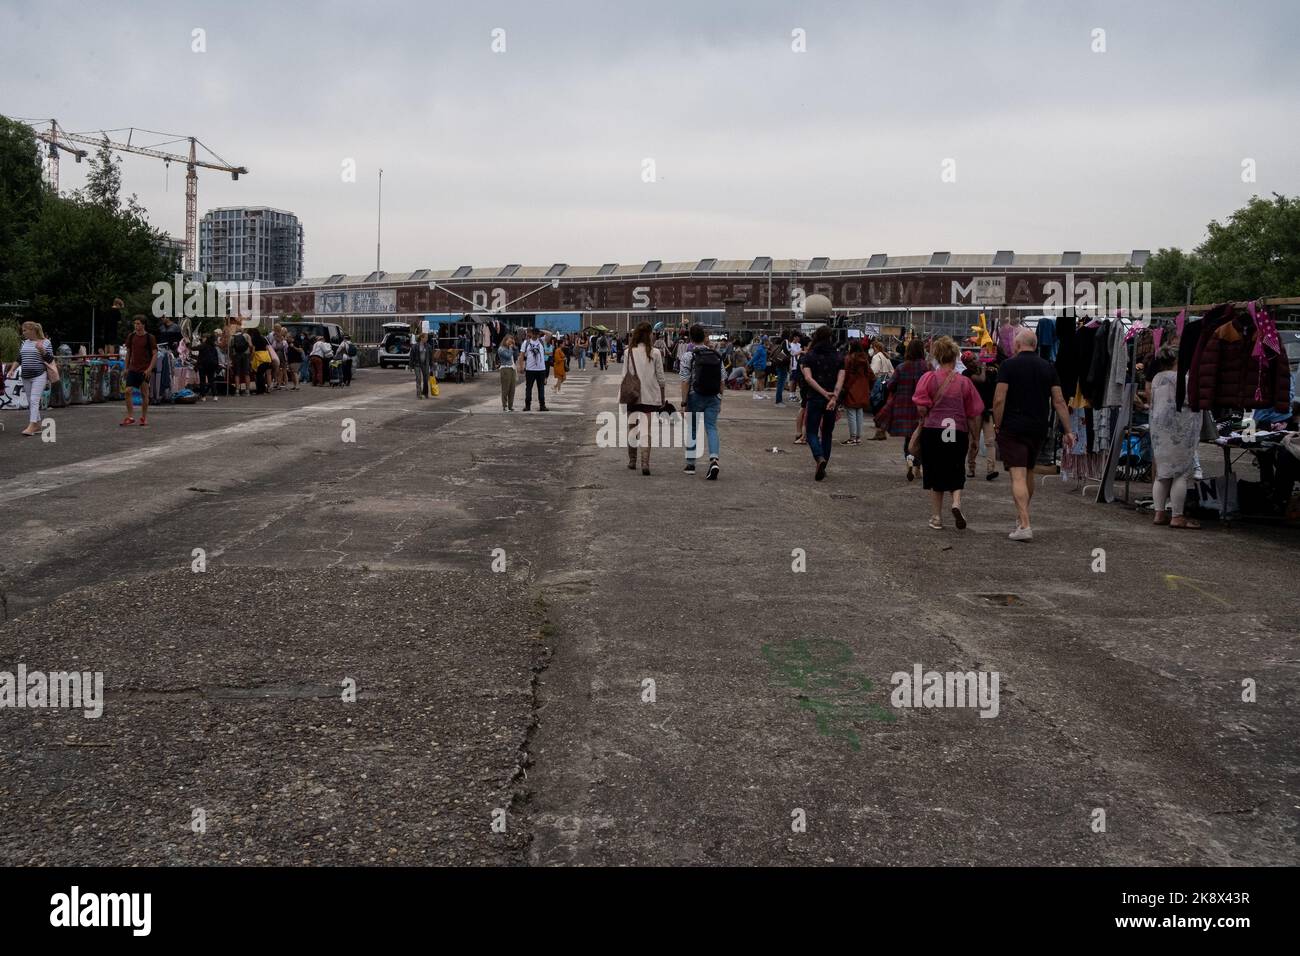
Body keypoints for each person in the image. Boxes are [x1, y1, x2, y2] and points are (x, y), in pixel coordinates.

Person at [993, 328, 1075, 542]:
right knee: (1028, 471)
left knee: (1017, 475)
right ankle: (1022, 518)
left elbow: (1000, 398)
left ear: (1018, 346)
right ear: (1036, 345)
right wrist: (1068, 430)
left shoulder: (1008, 366)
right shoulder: (1048, 367)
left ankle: (1025, 525)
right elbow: (1058, 401)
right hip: (1038, 427)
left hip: (1013, 426)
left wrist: (997, 424)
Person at [912, 336, 985, 530]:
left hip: (934, 429)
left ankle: (936, 517)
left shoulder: (928, 378)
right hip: (954, 429)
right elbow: (973, 413)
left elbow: (920, 405)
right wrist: (975, 437)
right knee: (955, 466)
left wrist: (926, 412)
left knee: (935, 470)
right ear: (955, 358)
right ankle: (956, 503)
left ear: (937, 356)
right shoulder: (964, 382)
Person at [1147, 346, 1201, 529]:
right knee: (1180, 474)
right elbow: (1193, 400)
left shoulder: (1156, 379)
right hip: (1180, 431)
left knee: (1162, 473)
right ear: (1177, 361)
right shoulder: (1183, 379)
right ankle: (1177, 516)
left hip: (1159, 431)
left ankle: (1159, 513)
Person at [800, 326, 845, 481]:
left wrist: (823, 392)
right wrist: (833, 397)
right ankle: (823, 462)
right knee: (827, 433)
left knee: (811, 431)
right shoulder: (839, 356)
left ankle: (819, 458)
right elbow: (841, 378)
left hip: (814, 397)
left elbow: (808, 378)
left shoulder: (810, 356)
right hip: (832, 400)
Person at [679, 323, 722, 479]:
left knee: (692, 430)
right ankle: (714, 459)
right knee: (711, 427)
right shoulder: (716, 355)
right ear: (704, 337)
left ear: (690, 338)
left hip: (694, 396)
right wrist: (720, 399)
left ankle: (691, 464)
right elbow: (722, 379)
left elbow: (685, 380)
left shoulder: (688, 356)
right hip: (713, 396)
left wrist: (684, 403)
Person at [624, 321, 666, 475]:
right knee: (646, 431)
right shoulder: (655, 353)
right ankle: (645, 463)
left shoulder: (628, 352)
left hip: (633, 396)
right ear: (649, 335)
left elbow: (625, 376)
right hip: (649, 397)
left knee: (632, 429)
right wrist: (662, 397)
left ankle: (632, 461)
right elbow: (661, 378)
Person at [888, 338, 929, 480]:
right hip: (923, 409)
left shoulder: (901, 367)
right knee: (922, 439)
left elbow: (890, 385)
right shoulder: (927, 367)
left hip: (904, 408)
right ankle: (919, 467)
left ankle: (910, 462)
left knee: (909, 439)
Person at [6, 321, 54, 436]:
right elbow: (19, 358)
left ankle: (32, 425)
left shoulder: (45, 342)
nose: (23, 333)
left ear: (32, 331)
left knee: (34, 400)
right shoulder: (24, 343)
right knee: (30, 400)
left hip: (39, 375)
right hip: (26, 376)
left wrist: (42, 350)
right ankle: (37, 425)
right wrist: (12, 369)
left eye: (25, 330)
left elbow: (50, 359)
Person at [963, 355, 999, 480]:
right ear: (966, 364)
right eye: (970, 361)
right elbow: (981, 379)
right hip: (975, 412)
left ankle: (991, 470)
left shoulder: (988, 370)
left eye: (974, 358)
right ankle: (971, 468)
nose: (974, 361)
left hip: (987, 411)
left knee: (990, 441)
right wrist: (983, 368)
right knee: (974, 441)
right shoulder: (966, 373)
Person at [121, 315, 157, 426]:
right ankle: (130, 416)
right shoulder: (131, 336)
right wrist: (126, 367)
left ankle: (143, 417)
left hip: (144, 369)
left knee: (144, 394)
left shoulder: (149, 337)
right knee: (127, 391)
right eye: (135, 323)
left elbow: (155, 354)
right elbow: (128, 353)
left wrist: (149, 369)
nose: (136, 326)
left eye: (138, 324)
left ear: (143, 325)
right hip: (133, 368)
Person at [840, 340, 875, 445]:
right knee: (859, 412)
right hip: (863, 387)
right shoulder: (865, 359)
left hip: (851, 387)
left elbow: (845, 373)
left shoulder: (849, 358)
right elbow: (871, 374)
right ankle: (858, 437)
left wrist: (843, 386)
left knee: (851, 412)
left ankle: (852, 437)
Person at [521, 328, 548, 411]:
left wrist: (541, 330)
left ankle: (542, 405)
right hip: (530, 369)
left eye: (537, 333)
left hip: (541, 369)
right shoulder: (526, 343)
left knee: (541, 388)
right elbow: (521, 355)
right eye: (534, 333)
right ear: (531, 334)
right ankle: (527, 405)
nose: (535, 335)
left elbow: (550, 334)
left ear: (539, 334)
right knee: (528, 388)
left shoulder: (542, 341)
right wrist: (521, 365)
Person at [228, 322, 253, 395]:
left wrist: (231, 358)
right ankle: (247, 390)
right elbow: (251, 346)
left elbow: (230, 349)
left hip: (236, 356)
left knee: (237, 374)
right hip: (246, 355)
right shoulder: (247, 335)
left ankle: (237, 391)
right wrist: (250, 353)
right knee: (246, 373)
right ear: (242, 329)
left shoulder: (232, 337)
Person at [497, 334, 518, 411]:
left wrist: (514, 347)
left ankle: (510, 406)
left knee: (512, 389)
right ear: (505, 340)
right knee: (505, 388)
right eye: (509, 340)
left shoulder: (510, 348)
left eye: (511, 341)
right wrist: (511, 348)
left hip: (512, 368)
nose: (510, 342)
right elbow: (508, 356)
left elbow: (516, 355)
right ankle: (504, 406)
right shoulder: (501, 349)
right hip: (505, 369)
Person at [197, 333, 220, 402]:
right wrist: (216, 365)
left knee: (202, 381)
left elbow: (194, 348)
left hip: (203, 366)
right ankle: (215, 395)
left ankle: (203, 396)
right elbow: (216, 357)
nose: (202, 339)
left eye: (203, 337)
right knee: (211, 380)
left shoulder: (202, 346)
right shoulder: (213, 346)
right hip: (211, 366)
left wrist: (187, 344)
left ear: (206, 338)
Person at [769, 334, 790, 405]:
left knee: (779, 382)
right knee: (780, 383)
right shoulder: (785, 343)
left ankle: (779, 399)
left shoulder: (781, 344)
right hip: (782, 366)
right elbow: (784, 355)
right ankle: (778, 400)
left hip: (778, 365)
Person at [412, 333, 433, 399]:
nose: (427, 339)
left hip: (425, 364)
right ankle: (419, 394)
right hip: (417, 364)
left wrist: (432, 365)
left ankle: (425, 393)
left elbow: (431, 357)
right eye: (426, 338)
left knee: (426, 379)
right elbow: (411, 356)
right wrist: (411, 365)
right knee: (418, 379)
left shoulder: (428, 346)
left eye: (427, 338)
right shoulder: (415, 346)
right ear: (422, 338)